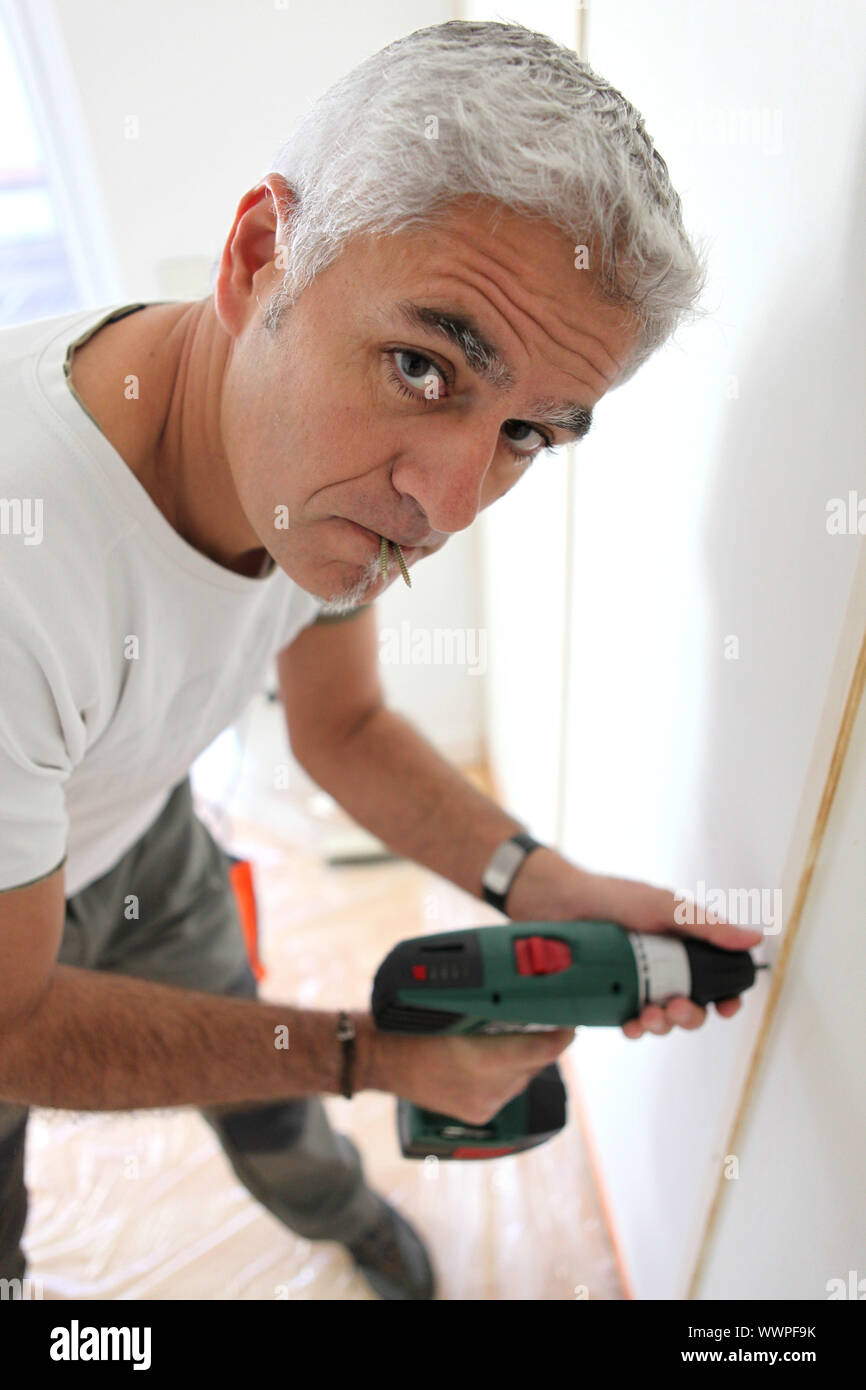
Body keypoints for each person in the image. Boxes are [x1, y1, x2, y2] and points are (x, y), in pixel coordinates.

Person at [0, 19, 762, 1301]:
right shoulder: (24, 567)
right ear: (258, 257)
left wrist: (541, 881)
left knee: (271, 1103)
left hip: (136, 836)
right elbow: (11, 1026)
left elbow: (338, 729)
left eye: (527, 431)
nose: (450, 499)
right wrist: (368, 1054)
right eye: (424, 365)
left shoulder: (300, 474)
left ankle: (339, 1216)